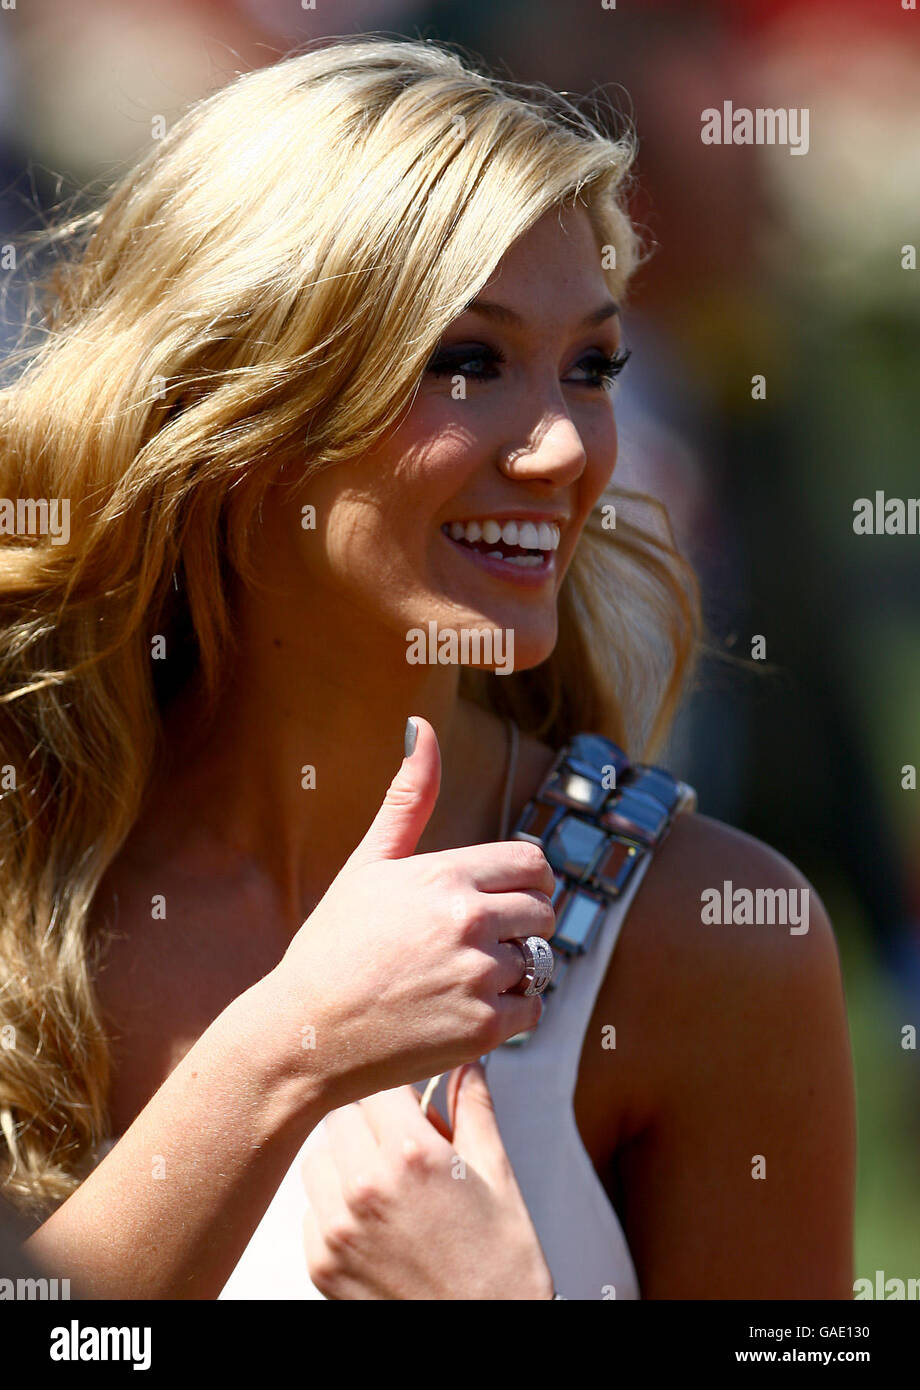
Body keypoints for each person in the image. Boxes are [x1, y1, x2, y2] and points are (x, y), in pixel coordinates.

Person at [0, 35, 855, 1299]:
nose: (566, 448)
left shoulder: (711, 941)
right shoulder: (28, 869)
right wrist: (284, 1055)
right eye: (468, 361)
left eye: (591, 366)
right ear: (241, 411)